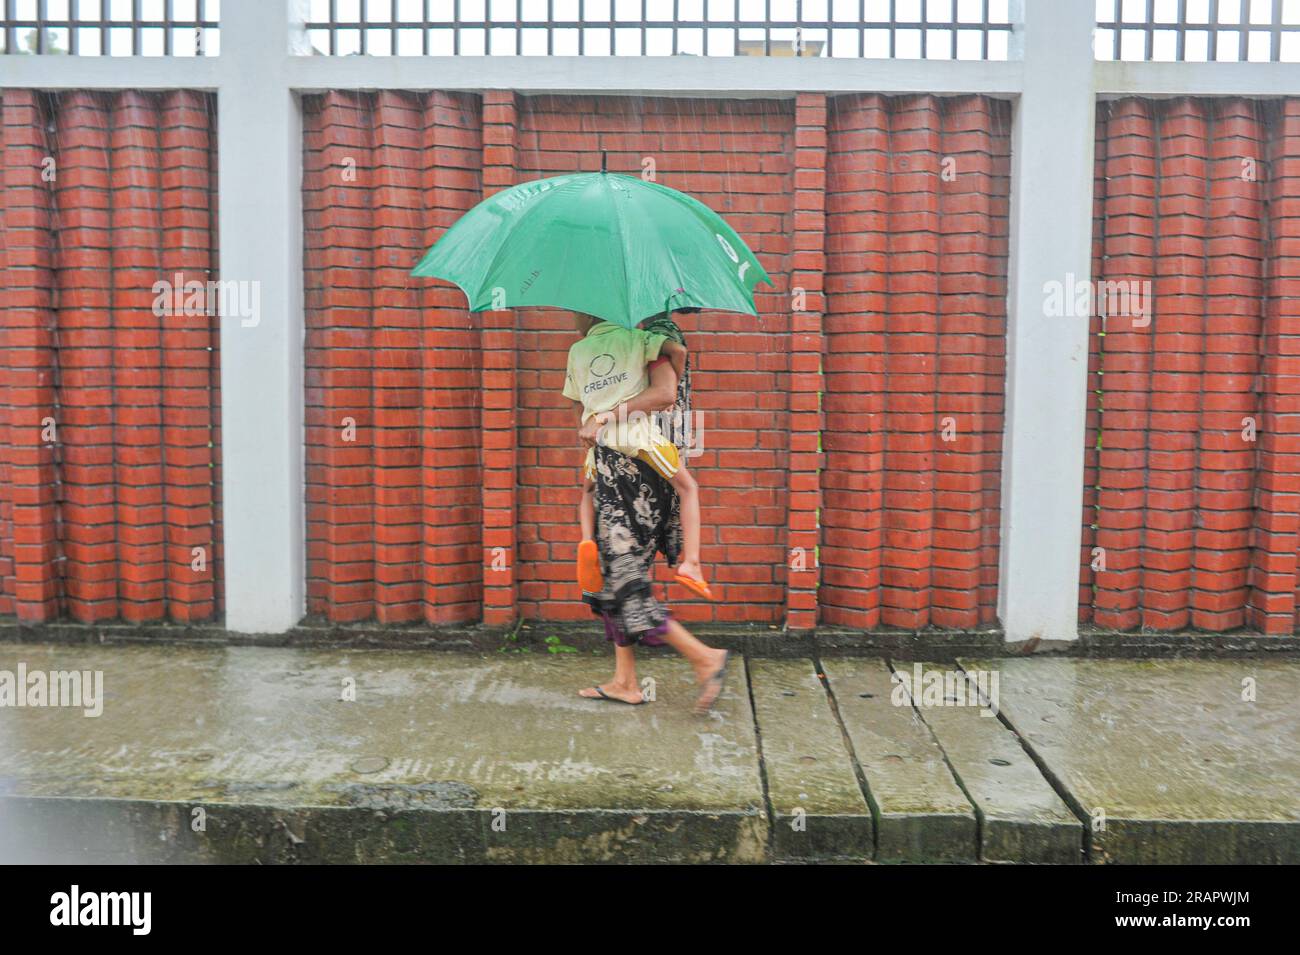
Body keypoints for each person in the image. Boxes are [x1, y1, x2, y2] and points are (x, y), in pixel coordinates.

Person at [563, 309, 729, 712]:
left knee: (625, 582)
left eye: (575, 312)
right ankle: (625, 682)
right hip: (617, 463)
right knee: (611, 580)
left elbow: (665, 391)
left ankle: (705, 657)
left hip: (634, 468)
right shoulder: (641, 340)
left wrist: (603, 415)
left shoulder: (643, 337)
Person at [565, 312, 712, 600]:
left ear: (588, 316)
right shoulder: (637, 338)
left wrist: (587, 431)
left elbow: (574, 401)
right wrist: (677, 380)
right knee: (687, 487)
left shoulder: (577, 350)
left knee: (587, 492)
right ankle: (691, 564)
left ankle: (586, 542)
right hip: (637, 435)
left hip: (599, 442)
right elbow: (678, 351)